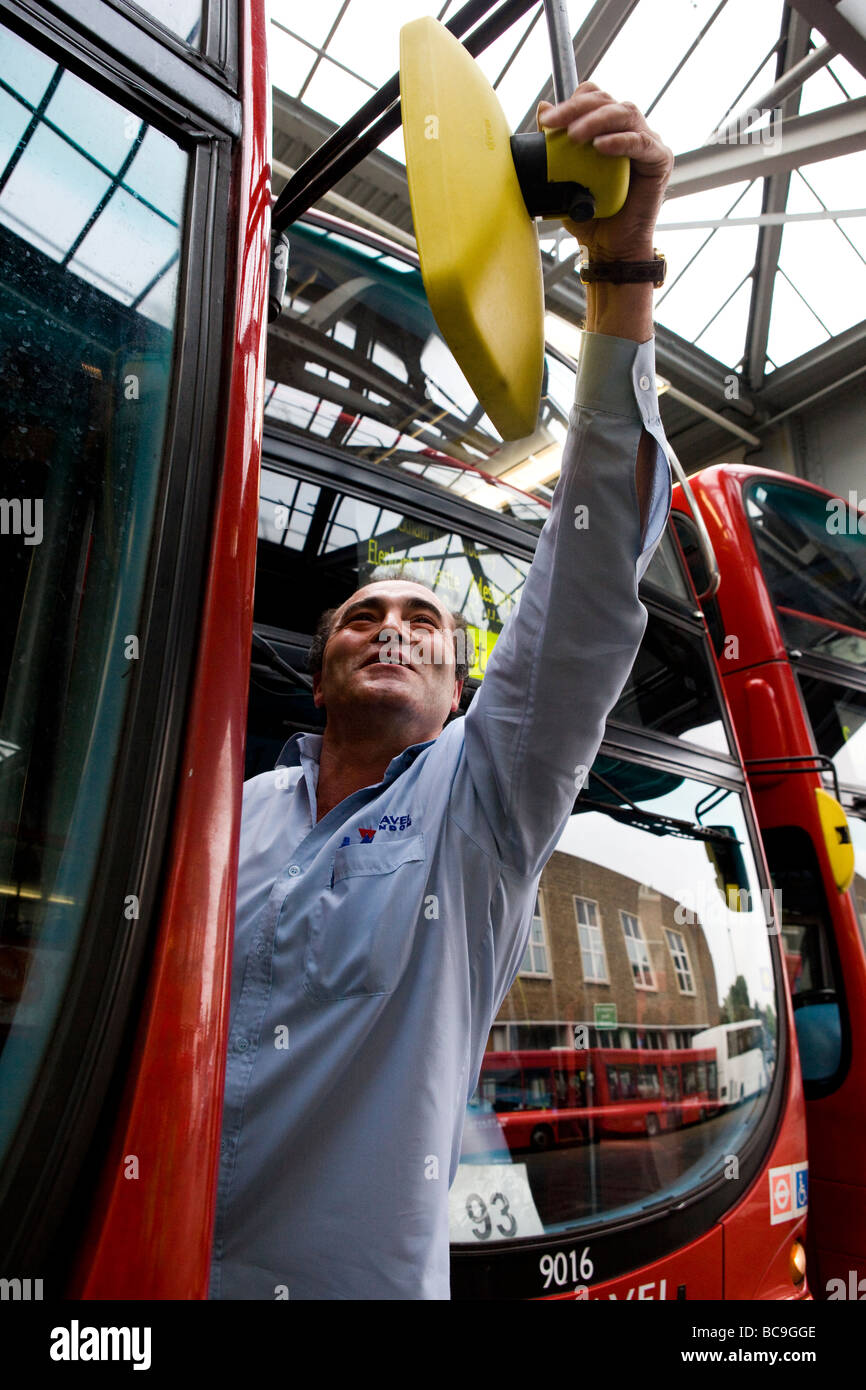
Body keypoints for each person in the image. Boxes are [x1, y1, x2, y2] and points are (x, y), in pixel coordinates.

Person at [210, 83, 675, 1300]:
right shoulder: (229, 814)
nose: (392, 629)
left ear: (466, 686)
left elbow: (580, 590)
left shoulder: (483, 808)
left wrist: (619, 279)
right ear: (318, 673)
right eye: (363, 615)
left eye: (425, 620)